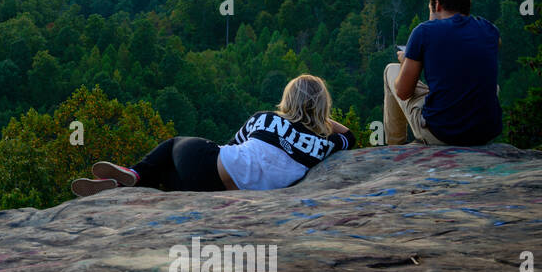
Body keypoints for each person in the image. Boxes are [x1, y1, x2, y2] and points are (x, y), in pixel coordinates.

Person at [72, 74, 355, 195]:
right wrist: (317, 115)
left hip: (210, 169)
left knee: (174, 145)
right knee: (164, 183)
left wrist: (299, 110)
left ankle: (131, 174)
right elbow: (350, 136)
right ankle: (123, 186)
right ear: (324, 107)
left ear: (287, 100)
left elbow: (230, 146)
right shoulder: (324, 145)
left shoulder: (265, 118)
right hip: (219, 192)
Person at [383, 0, 501, 146]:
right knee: (493, 87)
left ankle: (395, 147)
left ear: (437, 5)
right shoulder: (490, 30)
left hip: (442, 133)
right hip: (484, 134)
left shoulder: (424, 31)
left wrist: (405, 61)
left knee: (391, 70)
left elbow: (403, 92)